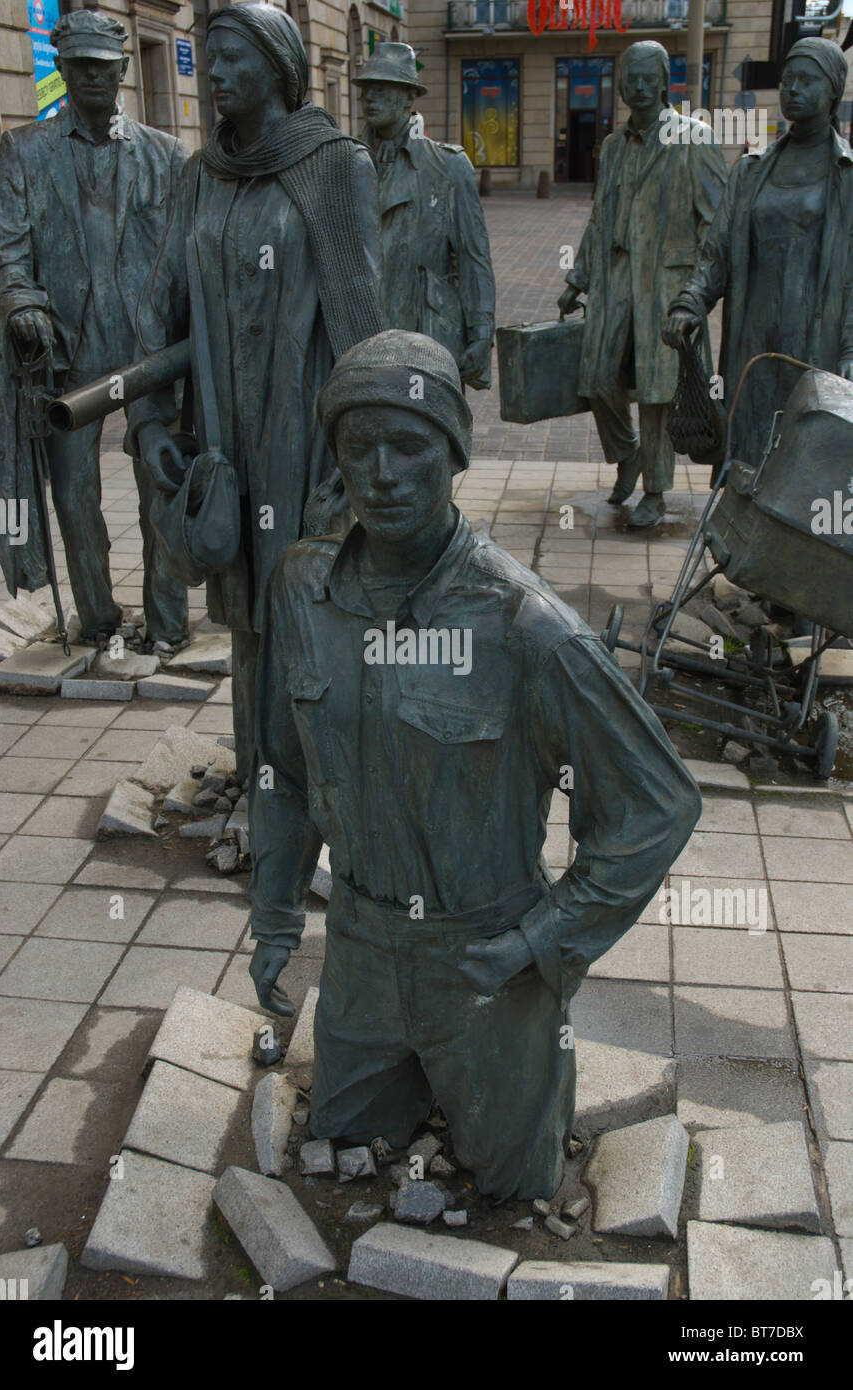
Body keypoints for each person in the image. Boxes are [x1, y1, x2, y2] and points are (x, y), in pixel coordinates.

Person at [247, 330, 701, 1201]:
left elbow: (659, 804)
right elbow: (282, 769)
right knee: (342, 1139)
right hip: (361, 948)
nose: (381, 474)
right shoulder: (303, 591)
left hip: (486, 964)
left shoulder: (523, 625)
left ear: (454, 455)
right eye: (357, 448)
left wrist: (542, 942)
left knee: (514, 1188)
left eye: (410, 447)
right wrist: (275, 914)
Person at [126, 4, 381, 782]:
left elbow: (362, 319)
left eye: (232, 58)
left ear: (277, 68)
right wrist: (150, 423)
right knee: (243, 614)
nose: (213, 74)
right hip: (226, 438)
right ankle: (260, 779)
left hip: (304, 432)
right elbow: (160, 302)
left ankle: (316, 783)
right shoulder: (201, 175)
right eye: (209, 57)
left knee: (305, 605)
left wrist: (362, 444)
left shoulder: (335, 164)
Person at [0, 9, 188, 649]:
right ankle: (99, 623)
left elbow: (187, 261)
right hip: (69, 358)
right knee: (74, 501)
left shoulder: (170, 157)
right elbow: (10, 258)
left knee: (161, 488)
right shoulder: (24, 153)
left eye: (104, 67)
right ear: (63, 70)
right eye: (79, 67)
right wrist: (22, 306)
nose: (92, 79)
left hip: (147, 356)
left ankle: (167, 622)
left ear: (123, 70)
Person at [558, 41, 727, 528]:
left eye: (645, 75)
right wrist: (579, 278)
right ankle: (626, 454)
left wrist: (695, 294)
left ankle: (655, 491)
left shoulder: (694, 138)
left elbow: (716, 227)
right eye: (628, 75)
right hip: (614, 284)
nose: (636, 84)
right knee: (595, 378)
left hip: (664, 286)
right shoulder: (612, 146)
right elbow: (599, 217)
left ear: (664, 80)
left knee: (657, 392)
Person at [664, 37, 853, 469]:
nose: (793, 90)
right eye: (788, 80)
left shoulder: (847, 176)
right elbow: (717, 253)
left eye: (807, 81)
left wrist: (851, 349)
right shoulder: (751, 170)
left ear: (833, 93)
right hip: (753, 340)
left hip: (817, 344)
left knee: (806, 462)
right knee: (745, 451)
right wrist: (691, 301)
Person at [354, 42, 494, 390]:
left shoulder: (447, 166)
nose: (369, 97)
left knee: (430, 435)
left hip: (428, 334)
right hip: (362, 337)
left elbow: (474, 258)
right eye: (366, 89)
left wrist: (480, 333)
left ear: (407, 97)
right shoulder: (346, 163)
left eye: (381, 89)